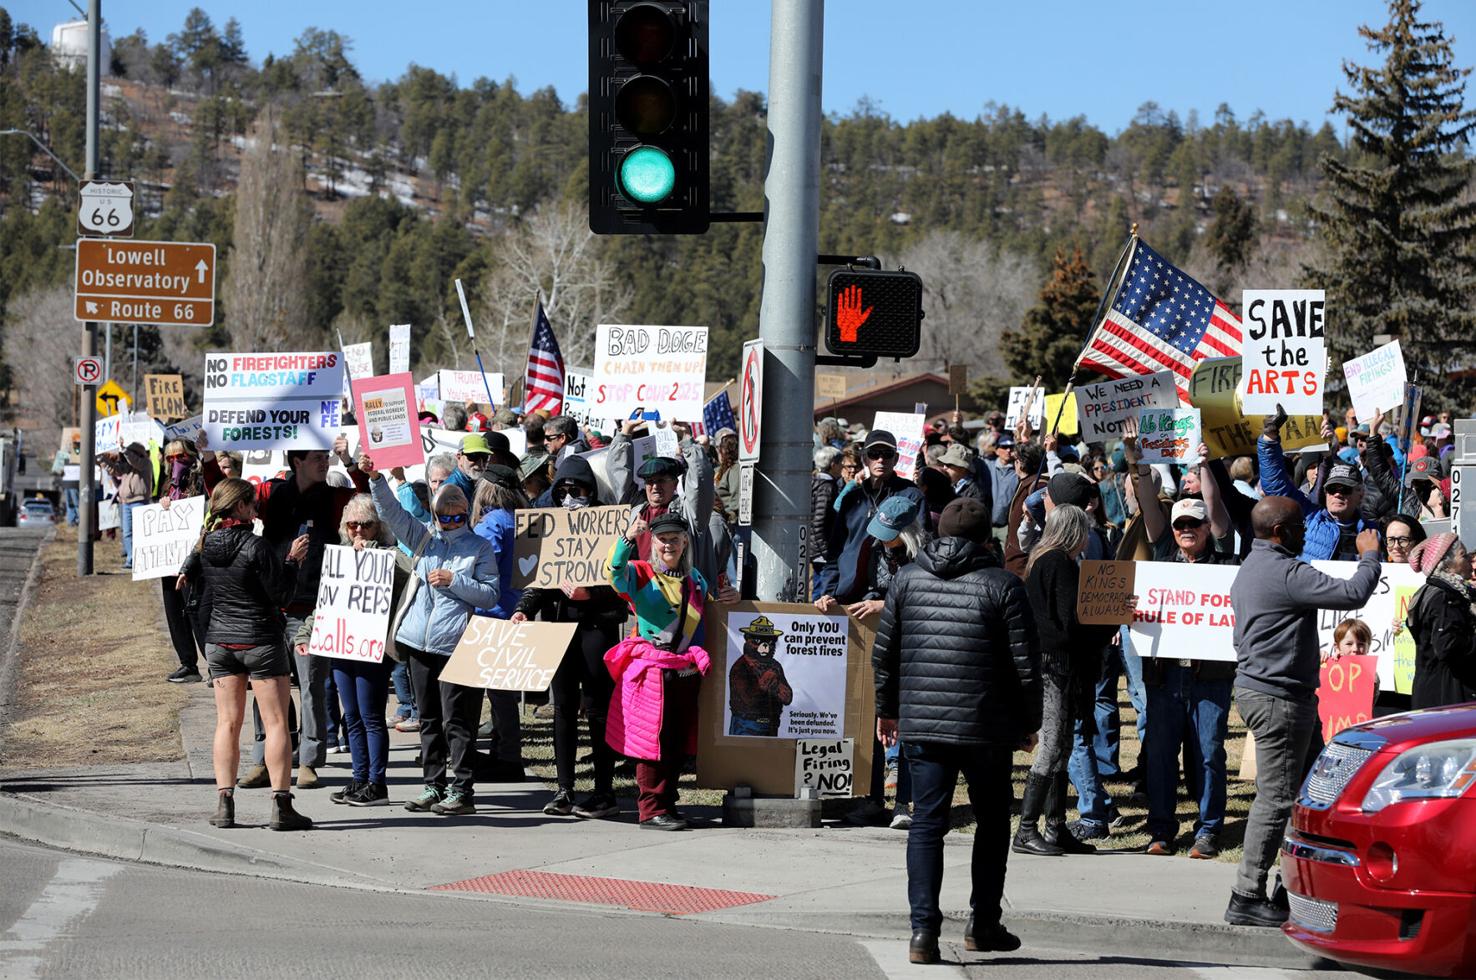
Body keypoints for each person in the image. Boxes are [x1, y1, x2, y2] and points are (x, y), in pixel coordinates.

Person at [873, 496, 1039, 964]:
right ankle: (982, 922)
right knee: (991, 823)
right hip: (986, 726)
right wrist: (1030, 723)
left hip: (924, 722)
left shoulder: (907, 579)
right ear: (988, 540)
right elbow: (1026, 665)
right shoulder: (1004, 584)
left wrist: (888, 710)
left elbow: (884, 654)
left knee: (926, 825)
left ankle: (923, 932)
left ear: (939, 534)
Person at [1225, 495, 1381, 927]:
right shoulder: (1285, 572)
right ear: (1280, 533)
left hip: (1277, 693)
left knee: (1313, 793)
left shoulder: (1253, 565)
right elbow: (1352, 593)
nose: (1305, 534)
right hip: (1279, 698)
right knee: (1277, 798)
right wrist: (1370, 555)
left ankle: (1292, 883)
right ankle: (1246, 893)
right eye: (1299, 528)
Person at [201, 433, 368, 791]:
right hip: (269, 608)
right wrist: (208, 458)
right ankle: (263, 759)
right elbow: (226, 498)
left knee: (311, 686)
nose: (325, 462)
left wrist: (351, 462)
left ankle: (309, 761)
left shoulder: (333, 496)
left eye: (327, 456)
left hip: (315, 608)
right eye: (317, 457)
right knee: (267, 691)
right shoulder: (271, 493)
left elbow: (365, 498)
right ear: (297, 462)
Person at [361, 452, 501, 817]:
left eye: (457, 516)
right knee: (428, 718)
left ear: (466, 513)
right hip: (419, 643)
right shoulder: (426, 540)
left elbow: (490, 594)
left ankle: (462, 788)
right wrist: (377, 480)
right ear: (436, 515)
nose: (451, 522)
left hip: (456, 643)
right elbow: (394, 513)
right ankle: (433, 784)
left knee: (458, 719)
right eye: (444, 516)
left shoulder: (479, 547)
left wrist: (456, 581)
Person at [1128, 439, 1240, 858]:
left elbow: (1216, 509)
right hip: (1164, 674)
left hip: (1209, 676)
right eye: (1180, 525)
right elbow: (1150, 510)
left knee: (1210, 753)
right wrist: (1137, 465)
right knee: (1159, 756)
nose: (1187, 530)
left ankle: (1209, 829)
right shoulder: (1162, 559)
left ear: (1207, 528)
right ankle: (1161, 830)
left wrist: (1206, 466)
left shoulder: (1224, 561)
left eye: (1195, 523)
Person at [183, 478, 312, 831]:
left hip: (220, 643)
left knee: (227, 723)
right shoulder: (256, 547)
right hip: (260, 641)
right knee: (276, 724)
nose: (257, 509)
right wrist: (293, 561)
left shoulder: (207, 545)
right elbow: (282, 595)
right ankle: (282, 805)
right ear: (239, 507)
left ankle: (225, 803)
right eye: (253, 503)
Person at [513, 456, 628, 820]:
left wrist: (590, 594)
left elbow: (623, 587)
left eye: (575, 490)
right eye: (561, 491)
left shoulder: (608, 526)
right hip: (558, 629)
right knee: (562, 707)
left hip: (596, 629)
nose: (568, 497)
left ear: (589, 491)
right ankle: (564, 788)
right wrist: (524, 609)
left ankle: (603, 790)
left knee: (596, 708)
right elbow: (538, 580)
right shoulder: (547, 523)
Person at [605, 513, 720, 830]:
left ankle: (666, 803)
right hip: (652, 671)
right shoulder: (640, 573)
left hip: (683, 669)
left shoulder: (696, 579)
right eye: (662, 538)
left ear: (685, 541)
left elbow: (706, 614)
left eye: (674, 538)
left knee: (676, 740)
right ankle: (651, 809)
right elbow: (613, 573)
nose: (668, 544)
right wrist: (627, 540)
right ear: (652, 541)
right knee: (652, 743)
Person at [1015, 503, 1115, 857]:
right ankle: (1027, 829)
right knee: (1053, 746)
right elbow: (1072, 622)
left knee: (1063, 747)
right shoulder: (1058, 563)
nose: (1089, 535)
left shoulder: (1047, 560)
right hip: (1055, 666)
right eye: (1085, 528)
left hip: (1056, 664)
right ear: (1074, 531)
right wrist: (1111, 620)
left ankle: (1055, 827)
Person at [293, 494, 406, 806]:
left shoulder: (390, 555)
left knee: (371, 717)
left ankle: (377, 783)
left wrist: (372, 554)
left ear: (377, 527)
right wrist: (306, 633)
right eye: (352, 525)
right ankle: (358, 779)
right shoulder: (340, 558)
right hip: (343, 647)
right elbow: (324, 605)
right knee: (351, 717)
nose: (358, 531)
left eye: (365, 525)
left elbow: (411, 574)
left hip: (373, 649)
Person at [813, 430, 925, 604]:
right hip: (847, 593)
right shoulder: (851, 498)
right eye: (874, 454)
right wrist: (828, 593)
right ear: (864, 459)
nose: (880, 459)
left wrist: (892, 601)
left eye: (887, 454)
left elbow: (921, 550)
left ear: (896, 459)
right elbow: (836, 551)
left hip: (888, 597)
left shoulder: (911, 496)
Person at [1258, 408, 1381, 561]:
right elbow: (1275, 486)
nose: (1337, 494)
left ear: (1361, 494)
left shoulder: (1374, 532)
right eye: (1332, 488)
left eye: (1345, 489)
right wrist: (1270, 436)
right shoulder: (1310, 518)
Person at [609, 420, 721, 587]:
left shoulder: (687, 512)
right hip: (641, 598)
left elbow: (700, 481)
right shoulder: (636, 508)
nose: (655, 487)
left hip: (681, 599)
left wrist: (687, 439)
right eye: (650, 481)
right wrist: (625, 433)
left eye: (661, 481)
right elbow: (618, 473)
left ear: (675, 484)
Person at [469, 465, 527, 782]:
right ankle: (504, 753)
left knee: (497, 693)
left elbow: (480, 562)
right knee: (502, 691)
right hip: (514, 609)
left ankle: (507, 757)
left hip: (491, 614)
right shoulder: (522, 519)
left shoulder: (492, 523)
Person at [1405, 533, 1476, 709]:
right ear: (1446, 563)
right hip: (1447, 698)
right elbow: (1448, 646)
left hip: (1434, 692)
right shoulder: (1444, 596)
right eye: (1462, 555)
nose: (1468, 559)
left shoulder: (1430, 592)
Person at [157, 440, 206, 683]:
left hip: (192, 560)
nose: (175, 462)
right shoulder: (167, 485)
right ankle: (188, 663)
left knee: (195, 610)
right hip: (168, 560)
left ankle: (215, 665)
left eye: (180, 456)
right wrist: (163, 505)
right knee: (174, 611)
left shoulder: (199, 482)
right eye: (170, 458)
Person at [726, 615, 793, 737]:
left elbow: (787, 697)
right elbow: (749, 700)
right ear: (748, 640)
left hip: (771, 725)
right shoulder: (741, 666)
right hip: (746, 725)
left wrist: (778, 687)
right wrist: (766, 681)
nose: (765, 646)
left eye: (769, 642)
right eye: (757, 641)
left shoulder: (775, 665)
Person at [98, 441, 153, 569]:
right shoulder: (127, 467)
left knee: (140, 533)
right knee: (127, 532)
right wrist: (103, 459)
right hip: (125, 503)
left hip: (140, 502)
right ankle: (131, 560)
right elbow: (115, 470)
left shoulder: (145, 463)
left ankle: (141, 560)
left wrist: (125, 450)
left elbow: (135, 461)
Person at [810, 447, 843, 576]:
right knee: (822, 586)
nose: (842, 467)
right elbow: (819, 521)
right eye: (840, 464)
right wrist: (825, 551)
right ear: (833, 465)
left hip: (817, 547)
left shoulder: (817, 481)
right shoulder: (826, 487)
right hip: (821, 550)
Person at [714, 428, 741, 525]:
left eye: (732, 443)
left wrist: (729, 517)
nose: (729, 447)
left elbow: (736, 500)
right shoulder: (717, 471)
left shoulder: (736, 469)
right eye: (727, 443)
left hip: (733, 525)